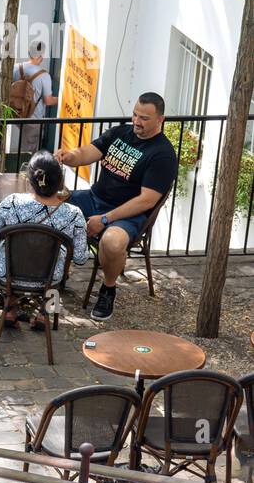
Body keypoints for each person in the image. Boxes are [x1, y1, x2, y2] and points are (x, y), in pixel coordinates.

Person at [55, 92, 178, 321]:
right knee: (49, 209)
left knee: (112, 242)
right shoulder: (121, 133)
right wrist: (68, 156)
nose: (137, 122)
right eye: (135, 115)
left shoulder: (163, 154)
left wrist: (105, 219)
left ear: (160, 119)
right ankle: (48, 278)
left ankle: (108, 289)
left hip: (128, 214)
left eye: (144, 118)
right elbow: (86, 153)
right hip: (94, 198)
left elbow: (146, 200)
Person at [0, 151, 88, 330]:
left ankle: (10, 310)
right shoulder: (74, 214)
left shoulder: (11, 203)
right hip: (50, 279)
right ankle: (45, 315)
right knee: (60, 268)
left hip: (7, 275)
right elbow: (81, 259)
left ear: (29, 180)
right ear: (60, 181)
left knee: (5, 253)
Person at [10, 39, 57, 154]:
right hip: (33, 118)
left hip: (16, 113)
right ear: (41, 55)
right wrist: (62, 99)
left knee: (23, 148)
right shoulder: (44, 75)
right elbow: (48, 101)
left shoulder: (16, 68)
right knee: (30, 152)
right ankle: (27, 170)